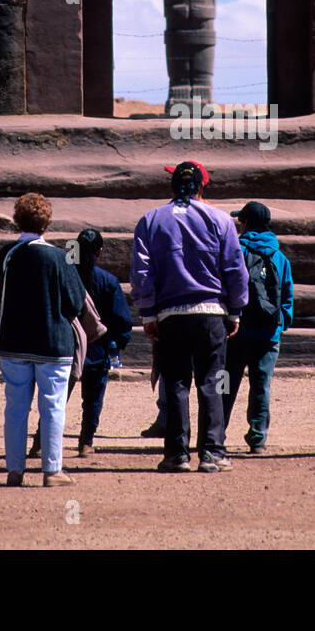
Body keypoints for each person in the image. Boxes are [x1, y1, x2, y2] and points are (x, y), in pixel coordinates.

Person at [131, 161, 248, 473]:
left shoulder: (151, 220)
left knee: (176, 383)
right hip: (212, 312)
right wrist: (236, 309)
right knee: (212, 382)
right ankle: (212, 452)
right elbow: (235, 268)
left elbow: (142, 272)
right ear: (201, 187)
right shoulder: (222, 220)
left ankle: (176, 454)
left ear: (172, 188)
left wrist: (147, 313)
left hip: (170, 314)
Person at [0, 193, 87, 487]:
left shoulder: (8, 255)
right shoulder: (60, 257)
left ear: (16, 220)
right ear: (47, 222)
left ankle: (15, 469)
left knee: (15, 406)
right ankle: (52, 470)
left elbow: (2, 297)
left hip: (14, 341)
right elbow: (75, 302)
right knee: (52, 406)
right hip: (53, 341)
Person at [27, 227, 131, 458]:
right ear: (100, 251)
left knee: (57, 397)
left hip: (67, 345)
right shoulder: (109, 281)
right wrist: (116, 344)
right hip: (97, 347)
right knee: (92, 399)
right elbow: (122, 320)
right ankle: (85, 442)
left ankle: (40, 441)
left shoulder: (64, 276)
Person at [222, 201, 294, 454]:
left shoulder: (236, 250)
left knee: (225, 381)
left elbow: (226, 286)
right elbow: (287, 295)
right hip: (268, 332)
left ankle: (215, 433)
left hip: (235, 331)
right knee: (261, 385)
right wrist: (281, 324)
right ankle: (258, 438)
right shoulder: (279, 255)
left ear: (246, 223)